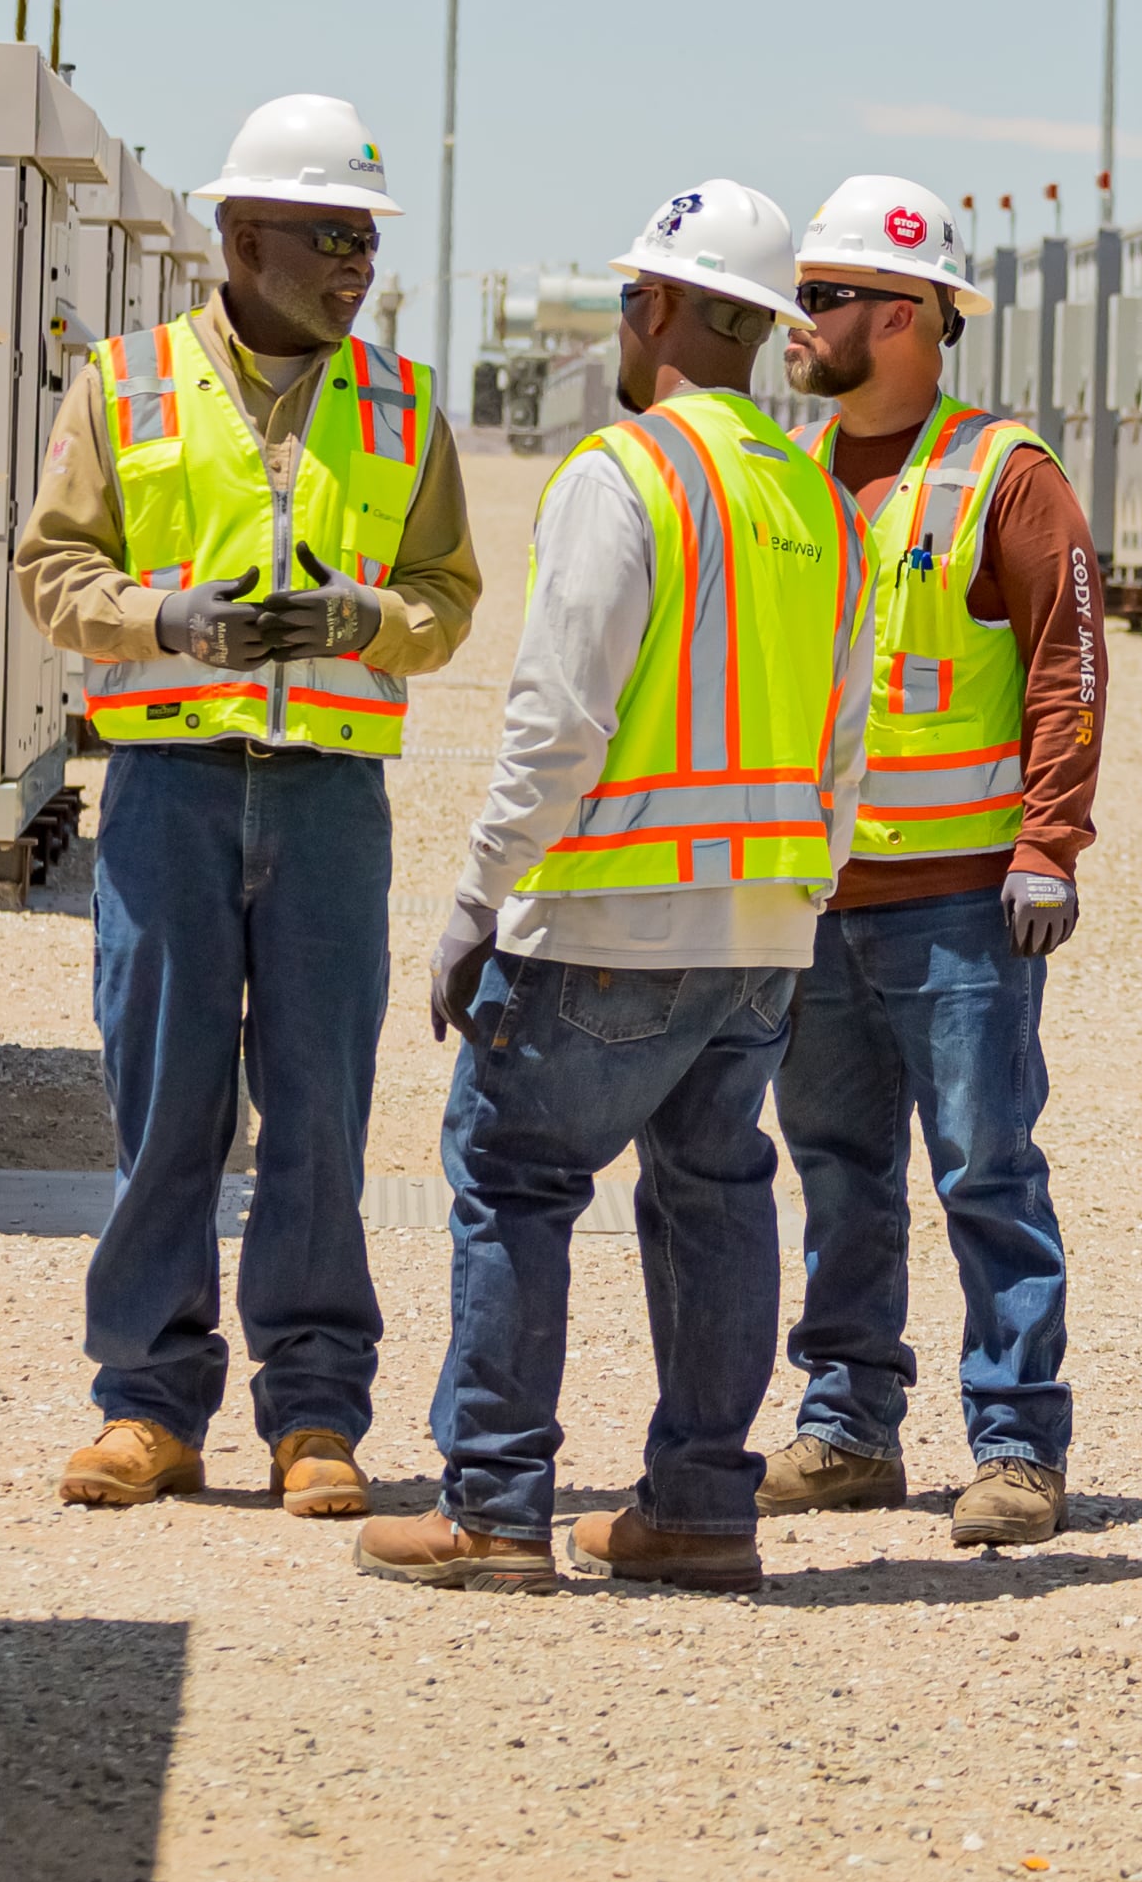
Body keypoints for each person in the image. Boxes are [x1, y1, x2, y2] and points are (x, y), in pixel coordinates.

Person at [353, 182, 867, 1595]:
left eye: (633, 298)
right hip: (763, 927)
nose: (627, 321)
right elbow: (845, 738)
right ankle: (699, 1509)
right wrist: (797, 895)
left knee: (513, 1184)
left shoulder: (620, 474)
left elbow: (556, 724)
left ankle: (494, 1509)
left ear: (663, 308)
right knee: (718, 1199)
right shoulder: (818, 500)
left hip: (606, 922)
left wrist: (475, 899)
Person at [14, 91, 481, 1517]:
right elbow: (52, 573)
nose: (357, 266)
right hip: (171, 790)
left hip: (331, 801)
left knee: (321, 1116)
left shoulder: (402, 406)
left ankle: (316, 1413)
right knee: (166, 1106)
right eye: (331, 237)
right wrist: (166, 621)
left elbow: (446, 595)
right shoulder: (124, 385)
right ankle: (148, 1406)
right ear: (242, 237)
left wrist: (366, 620)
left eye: (366, 242)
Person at [758, 173, 1097, 1547]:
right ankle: (848, 1430)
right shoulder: (788, 477)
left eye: (822, 296)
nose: (796, 319)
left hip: (962, 899)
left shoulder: (1004, 475)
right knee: (837, 1170)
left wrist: (1049, 844)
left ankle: (1017, 1448)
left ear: (903, 315)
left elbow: (1068, 665)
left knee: (984, 1171)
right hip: (814, 893)